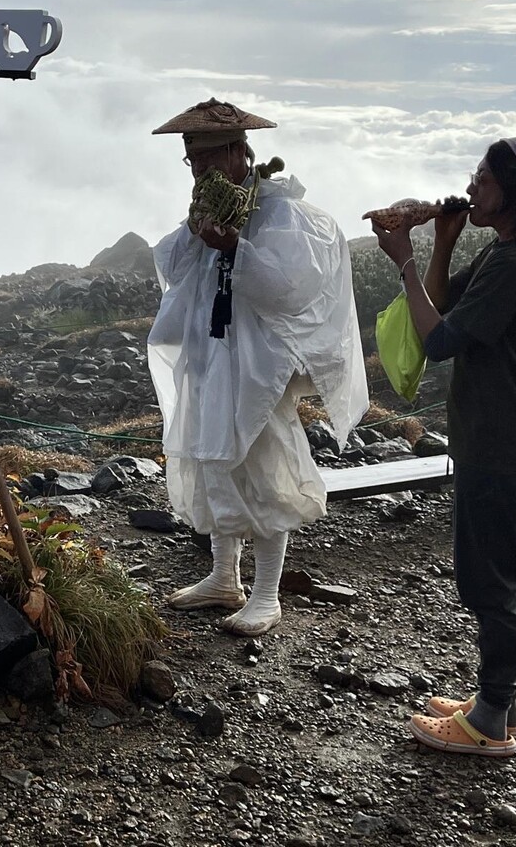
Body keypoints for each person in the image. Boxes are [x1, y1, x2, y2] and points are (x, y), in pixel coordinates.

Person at [371, 137, 516, 758]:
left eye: (484, 180)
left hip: (502, 440)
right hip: (499, 435)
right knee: (489, 572)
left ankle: (490, 720)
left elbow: (439, 342)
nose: (471, 188)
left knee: (490, 582)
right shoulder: (508, 251)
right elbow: (439, 306)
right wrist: (441, 244)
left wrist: (404, 263)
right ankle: (499, 705)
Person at [148, 99, 367, 636]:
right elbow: (175, 268)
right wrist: (199, 232)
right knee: (213, 457)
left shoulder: (282, 213)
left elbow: (287, 287)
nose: (199, 169)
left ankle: (266, 593)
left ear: (238, 151)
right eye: (192, 160)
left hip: (258, 363)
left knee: (263, 462)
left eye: (208, 157)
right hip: (212, 355)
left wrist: (234, 249)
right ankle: (224, 576)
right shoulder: (211, 208)